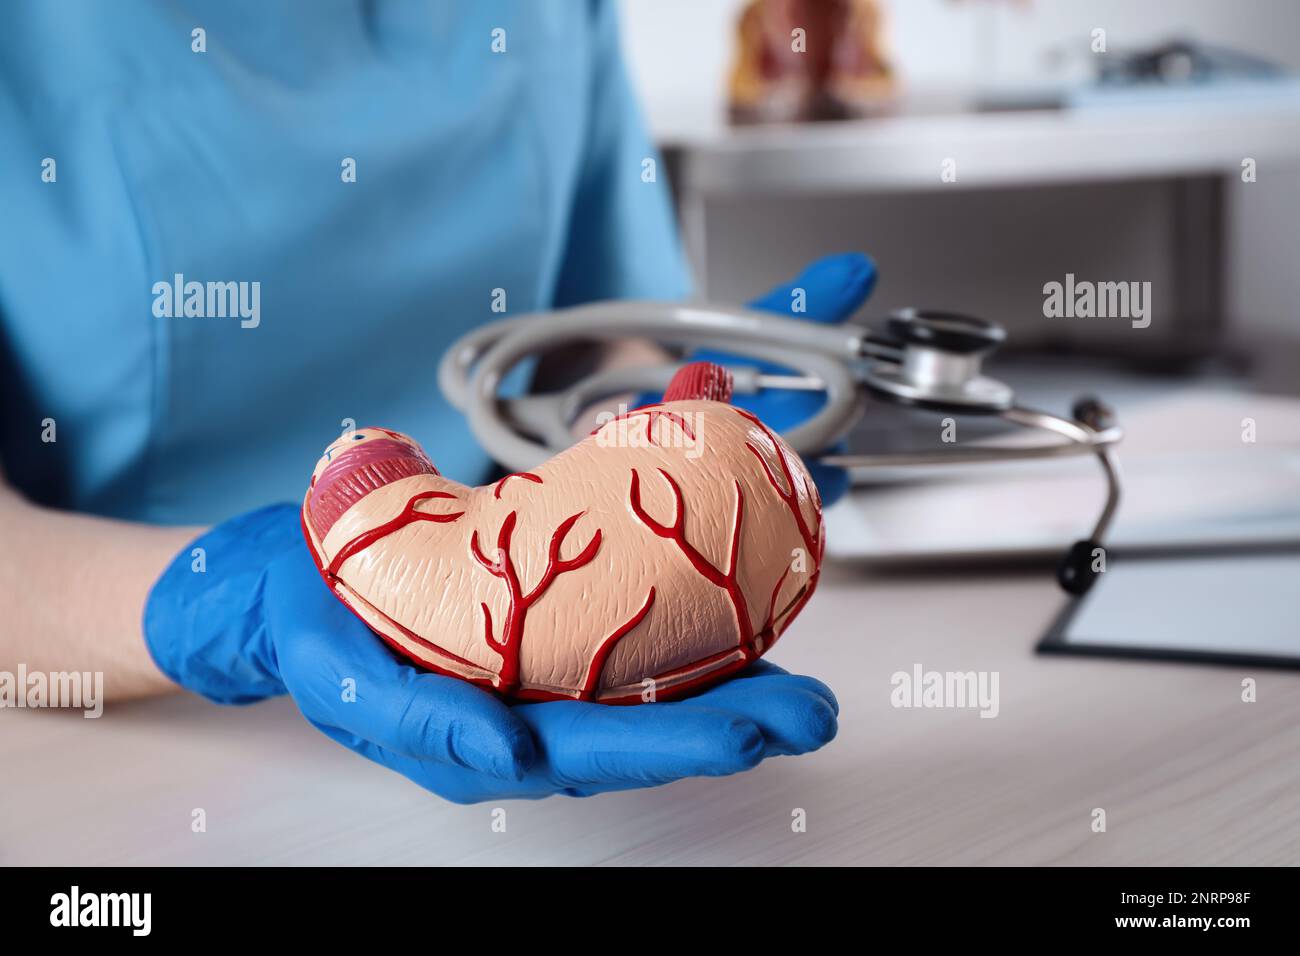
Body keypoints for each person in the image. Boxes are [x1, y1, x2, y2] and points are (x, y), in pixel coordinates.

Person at [0, 1, 877, 803]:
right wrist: (233, 597)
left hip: (498, 639)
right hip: (102, 747)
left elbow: (591, 324)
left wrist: (630, 433)